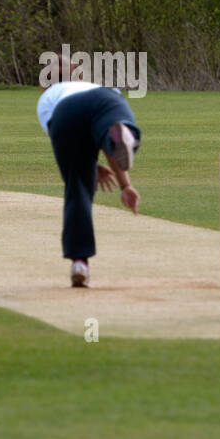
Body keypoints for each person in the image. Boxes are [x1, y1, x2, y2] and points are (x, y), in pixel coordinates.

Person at [37, 71, 142, 287]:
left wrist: (90, 165)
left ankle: (80, 263)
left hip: (65, 112)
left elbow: (67, 147)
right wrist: (125, 185)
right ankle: (120, 135)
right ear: (75, 75)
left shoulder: (47, 99)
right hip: (105, 100)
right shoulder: (92, 84)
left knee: (78, 188)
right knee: (115, 134)